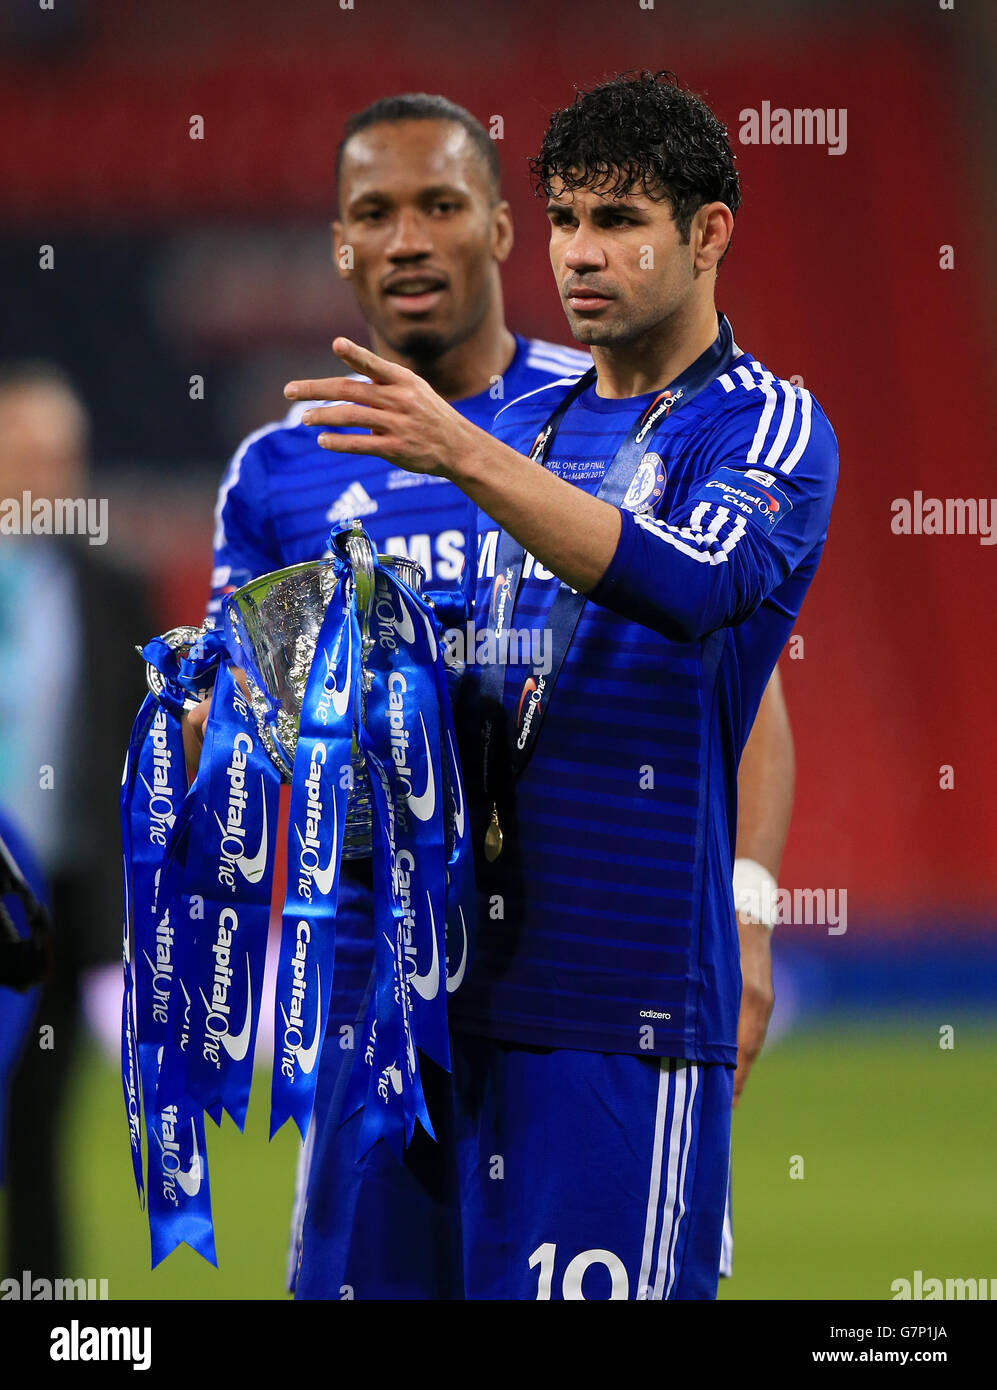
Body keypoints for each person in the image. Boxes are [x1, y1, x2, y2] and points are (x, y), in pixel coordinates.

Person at [285, 70, 835, 1299]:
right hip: (446, 1008)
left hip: (620, 1012)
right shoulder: (533, 424)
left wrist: (752, 906)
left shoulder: (764, 425)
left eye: (622, 222)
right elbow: (483, 680)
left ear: (707, 236)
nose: (583, 255)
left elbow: (692, 585)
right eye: (570, 220)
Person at [0, 362, 152, 1280]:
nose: (39, 475)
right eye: (20, 453)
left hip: (53, 907)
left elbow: (135, 750)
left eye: (57, 457)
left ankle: (44, 1301)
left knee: (38, 1126)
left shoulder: (110, 587)